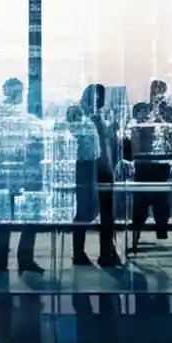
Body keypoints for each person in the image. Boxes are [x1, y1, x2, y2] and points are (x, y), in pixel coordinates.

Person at [0, 78, 46, 274]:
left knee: (2, 218)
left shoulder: (0, 116)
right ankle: (24, 260)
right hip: (20, 172)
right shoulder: (25, 118)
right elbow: (36, 138)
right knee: (25, 218)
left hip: (4, 172)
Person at [125, 80, 172, 250]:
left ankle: (158, 230)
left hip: (159, 163)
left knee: (158, 200)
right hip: (145, 163)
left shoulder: (168, 113)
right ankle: (139, 237)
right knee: (142, 203)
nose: (157, 94)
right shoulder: (143, 110)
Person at [71, 84, 121, 267]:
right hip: (89, 167)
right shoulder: (80, 115)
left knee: (106, 213)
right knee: (86, 211)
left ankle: (106, 251)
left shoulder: (100, 117)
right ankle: (81, 252)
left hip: (102, 168)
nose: (99, 102)